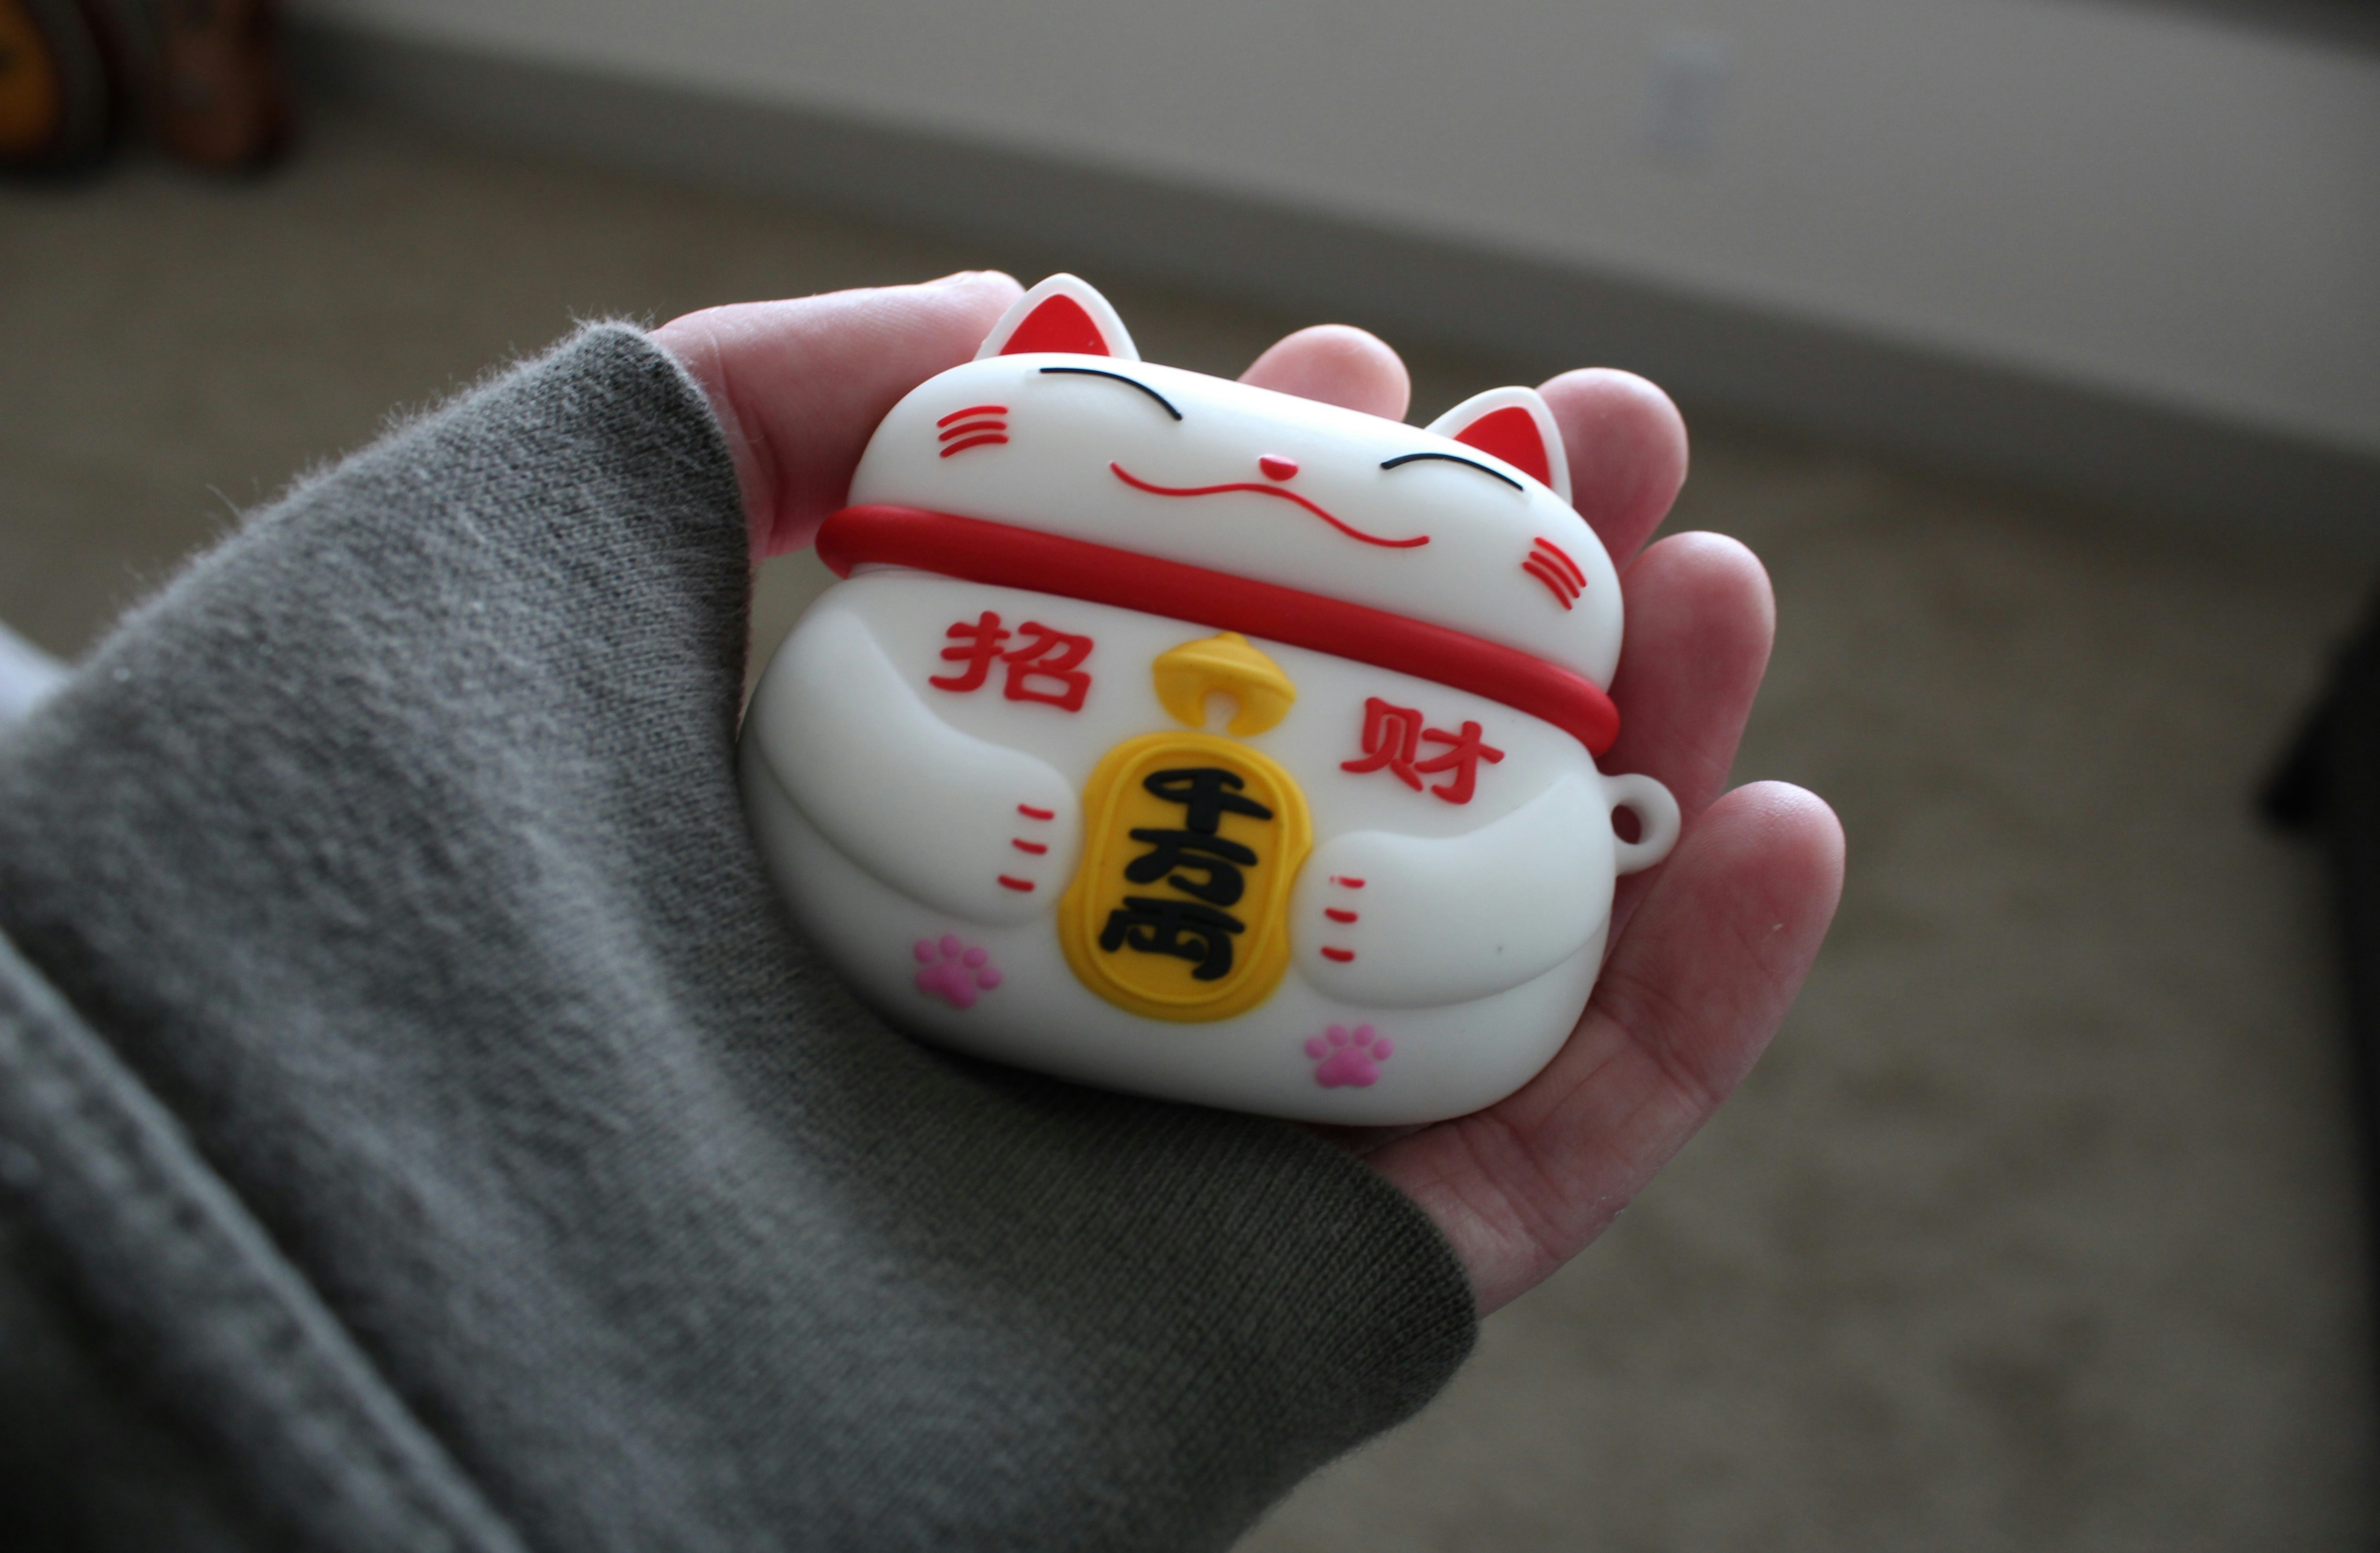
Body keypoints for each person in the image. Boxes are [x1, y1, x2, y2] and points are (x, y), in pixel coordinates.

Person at [0, 272, 1843, 1551]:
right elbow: (854, 744)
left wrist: (1391, 902)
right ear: (1038, 377)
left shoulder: (1501, 730)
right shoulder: (948, 613)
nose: (1277, 498)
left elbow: (1525, 903)